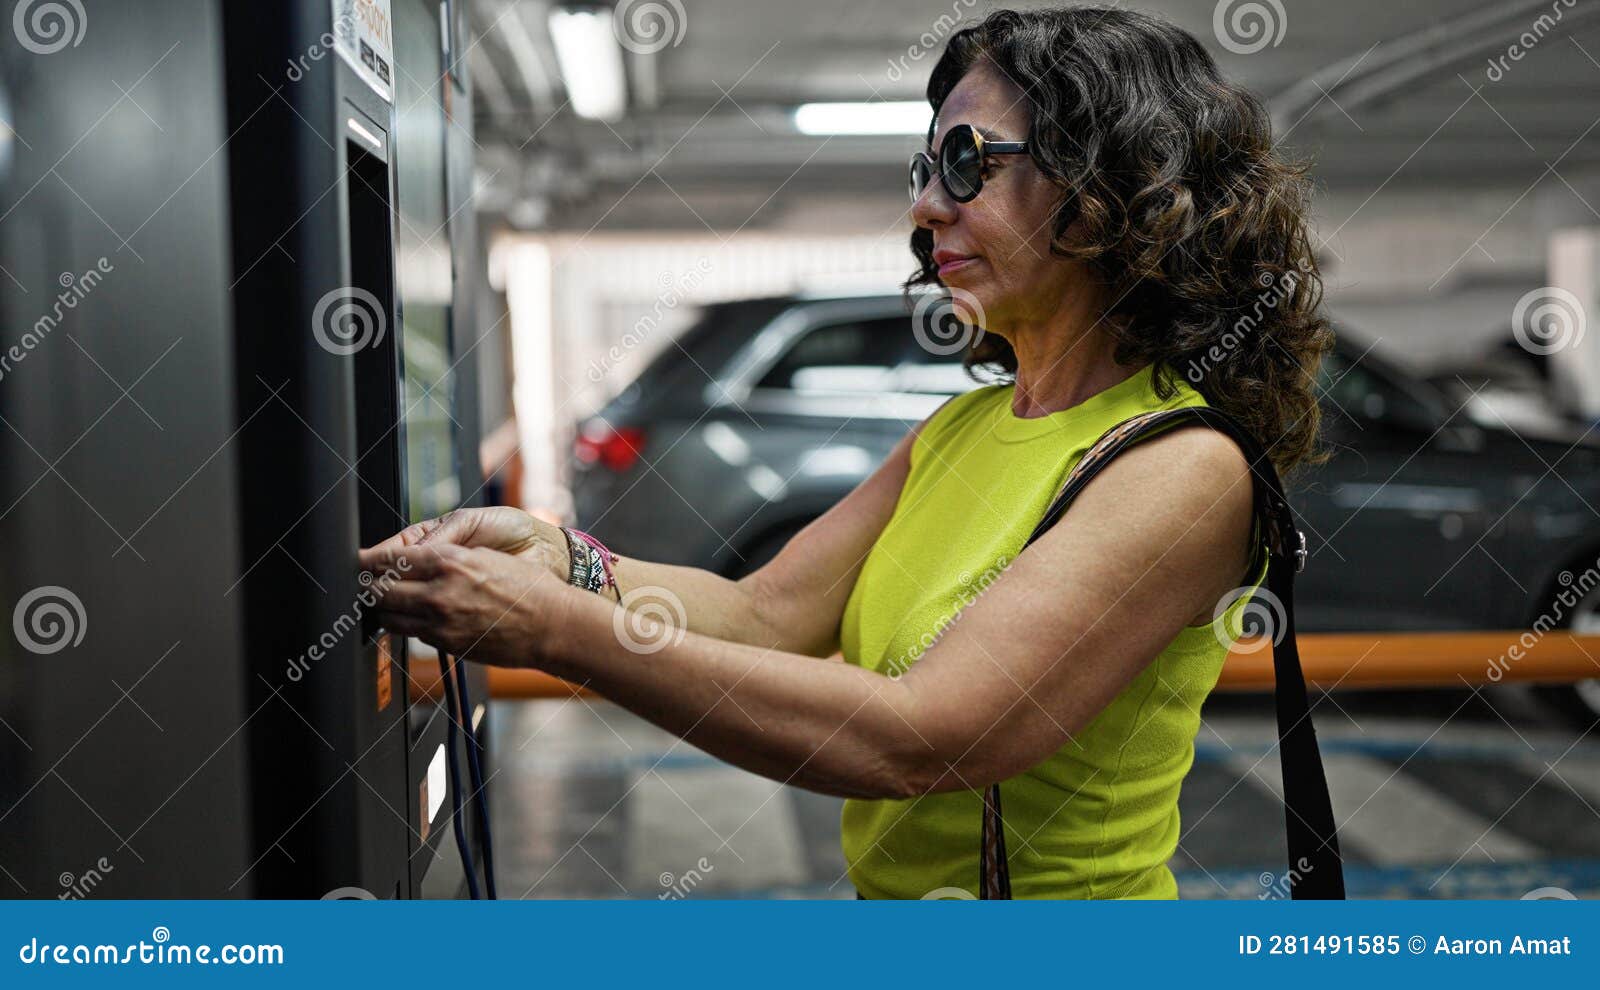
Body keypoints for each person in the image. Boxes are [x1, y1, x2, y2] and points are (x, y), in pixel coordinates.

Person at [361, 6, 1332, 899]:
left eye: (966, 162)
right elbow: (761, 614)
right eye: (926, 169)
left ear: (1110, 187)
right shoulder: (962, 429)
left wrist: (557, 632)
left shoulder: (1179, 464)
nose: (925, 208)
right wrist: (559, 562)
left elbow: (918, 738)